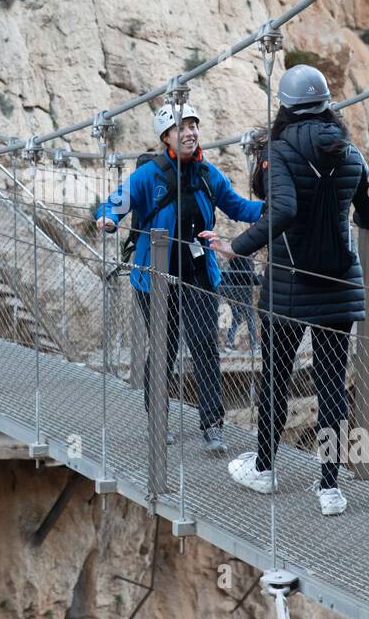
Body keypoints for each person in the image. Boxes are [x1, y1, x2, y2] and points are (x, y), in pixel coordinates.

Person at [202, 65, 369, 515]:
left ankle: (265, 468)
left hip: (288, 284)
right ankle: (330, 489)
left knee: (276, 378)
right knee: (332, 386)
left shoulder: (279, 151)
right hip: (340, 281)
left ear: (285, 106)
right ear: (326, 104)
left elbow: (281, 210)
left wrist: (235, 247)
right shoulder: (352, 154)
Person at [95, 100, 263, 454]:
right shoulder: (148, 176)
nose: (190, 133)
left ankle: (213, 425)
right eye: (181, 128)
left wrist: (279, 206)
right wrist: (108, 218)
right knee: (165, 347)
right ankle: (158, 418)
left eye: (193, 126)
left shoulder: (208, 174)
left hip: (199, 273)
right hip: (155, 277)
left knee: (204, 344)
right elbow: (114, 202)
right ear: (166, 136)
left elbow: (240, 208)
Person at [220, 255, 258, 353]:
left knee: (237, 317)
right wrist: (259, 279)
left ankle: (229, 343)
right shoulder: (244, 258)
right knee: (250, 318)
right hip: (243, 292)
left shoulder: (234, 258)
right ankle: (254, 346)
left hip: (233, 292)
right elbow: (249, 275)